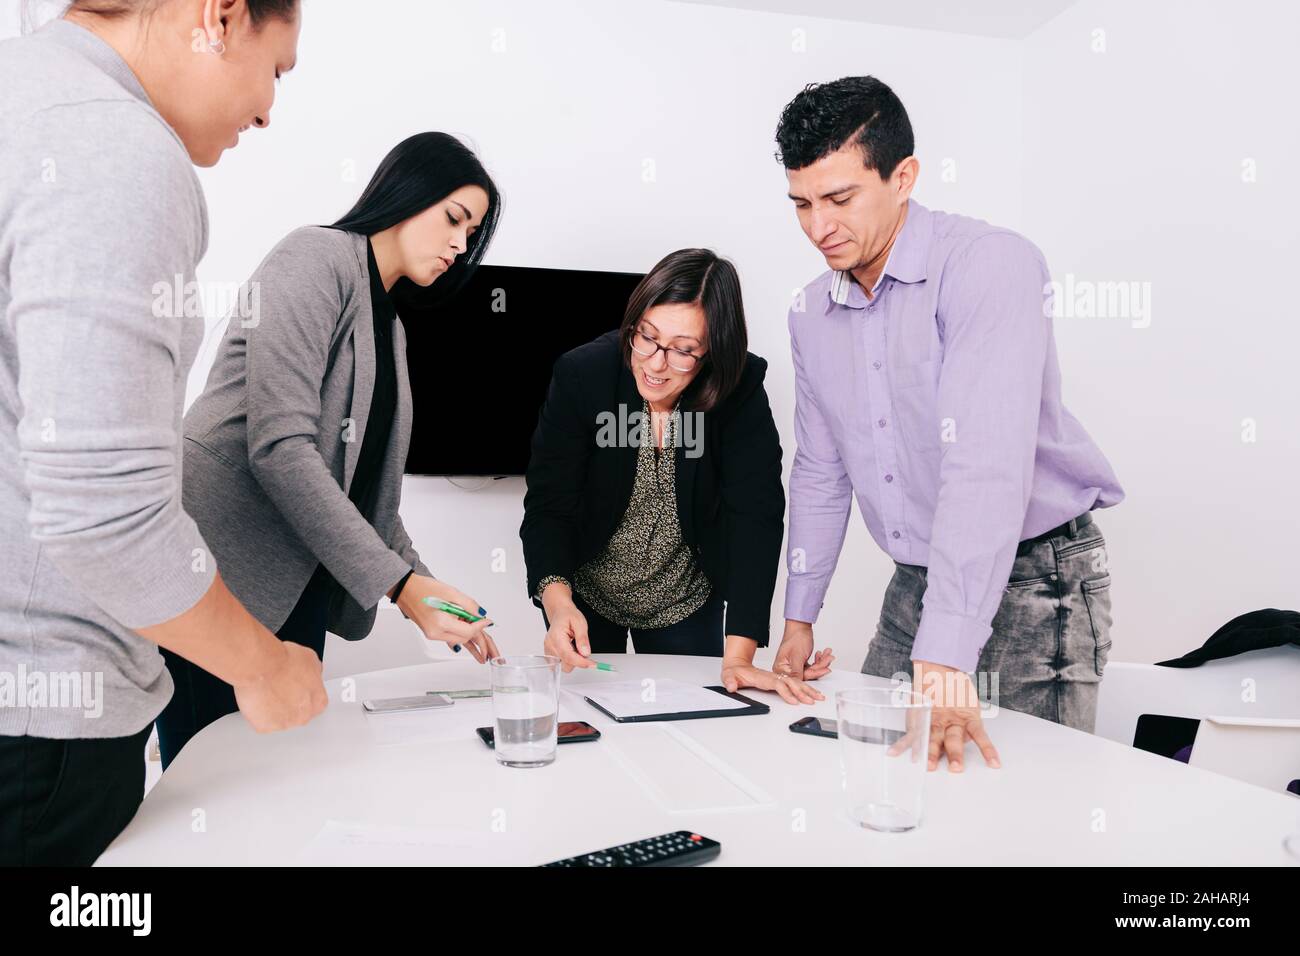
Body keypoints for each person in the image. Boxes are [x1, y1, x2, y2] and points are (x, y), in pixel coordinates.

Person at [0, 0, 325, 866]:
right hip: (37, 735)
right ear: (219, 17)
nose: (267, 110)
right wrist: (264, 669)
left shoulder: (18, 95)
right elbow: (103, 516)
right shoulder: (113, 149)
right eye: (277, 71)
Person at [770, 76, 1125, 769]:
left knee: (1018, 800)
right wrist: (798, 617)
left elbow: (985, 466)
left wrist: (944, 654)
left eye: (840, 199)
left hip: (1037, 577)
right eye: (802, 204)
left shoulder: (990, 264)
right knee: (876, 771)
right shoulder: (811, 312)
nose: (819, 227)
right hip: (919, 576)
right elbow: (819, 470)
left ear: (903, 177)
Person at [158, 132, 504, 767]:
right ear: (407, 193)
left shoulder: (390, 325)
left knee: (280, 774)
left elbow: (363, 491)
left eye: (471, 232)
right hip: (219, 565)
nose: (461, 245)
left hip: (297, 577)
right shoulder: (315, 256)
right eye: (454, 218)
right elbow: (279, 447)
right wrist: (401, 588)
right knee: (211, 772)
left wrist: (426, 585)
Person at [521, 249, 826, 704]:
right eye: (646, 337)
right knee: (586, 718)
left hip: (685, 599)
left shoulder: (738, 389)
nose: (656, 364)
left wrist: (740, 655)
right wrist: (558, 602)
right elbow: (550, 505)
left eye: (683, 351)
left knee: (687, 720)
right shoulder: (584, 374)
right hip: (586, 593)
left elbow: (754, 516)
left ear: (713, 354)